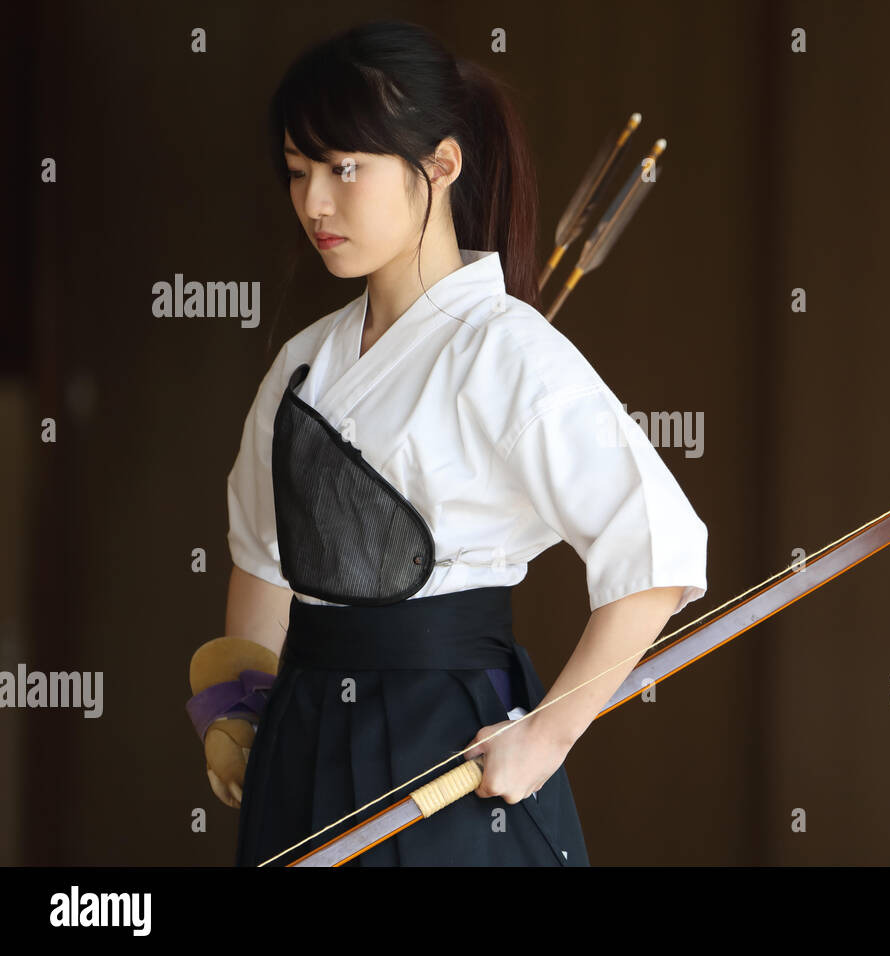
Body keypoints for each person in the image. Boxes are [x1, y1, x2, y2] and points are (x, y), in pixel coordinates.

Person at [199, 20, 708, 866]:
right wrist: (237, 712)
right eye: (298, 172)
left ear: (440, 163)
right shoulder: (300, 365)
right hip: (301, 734)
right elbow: (261, 560)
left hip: (447, 744)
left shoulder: (510, 350)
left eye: (344, 168)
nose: (314, 202)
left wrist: (546, 734)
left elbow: (656, 553)